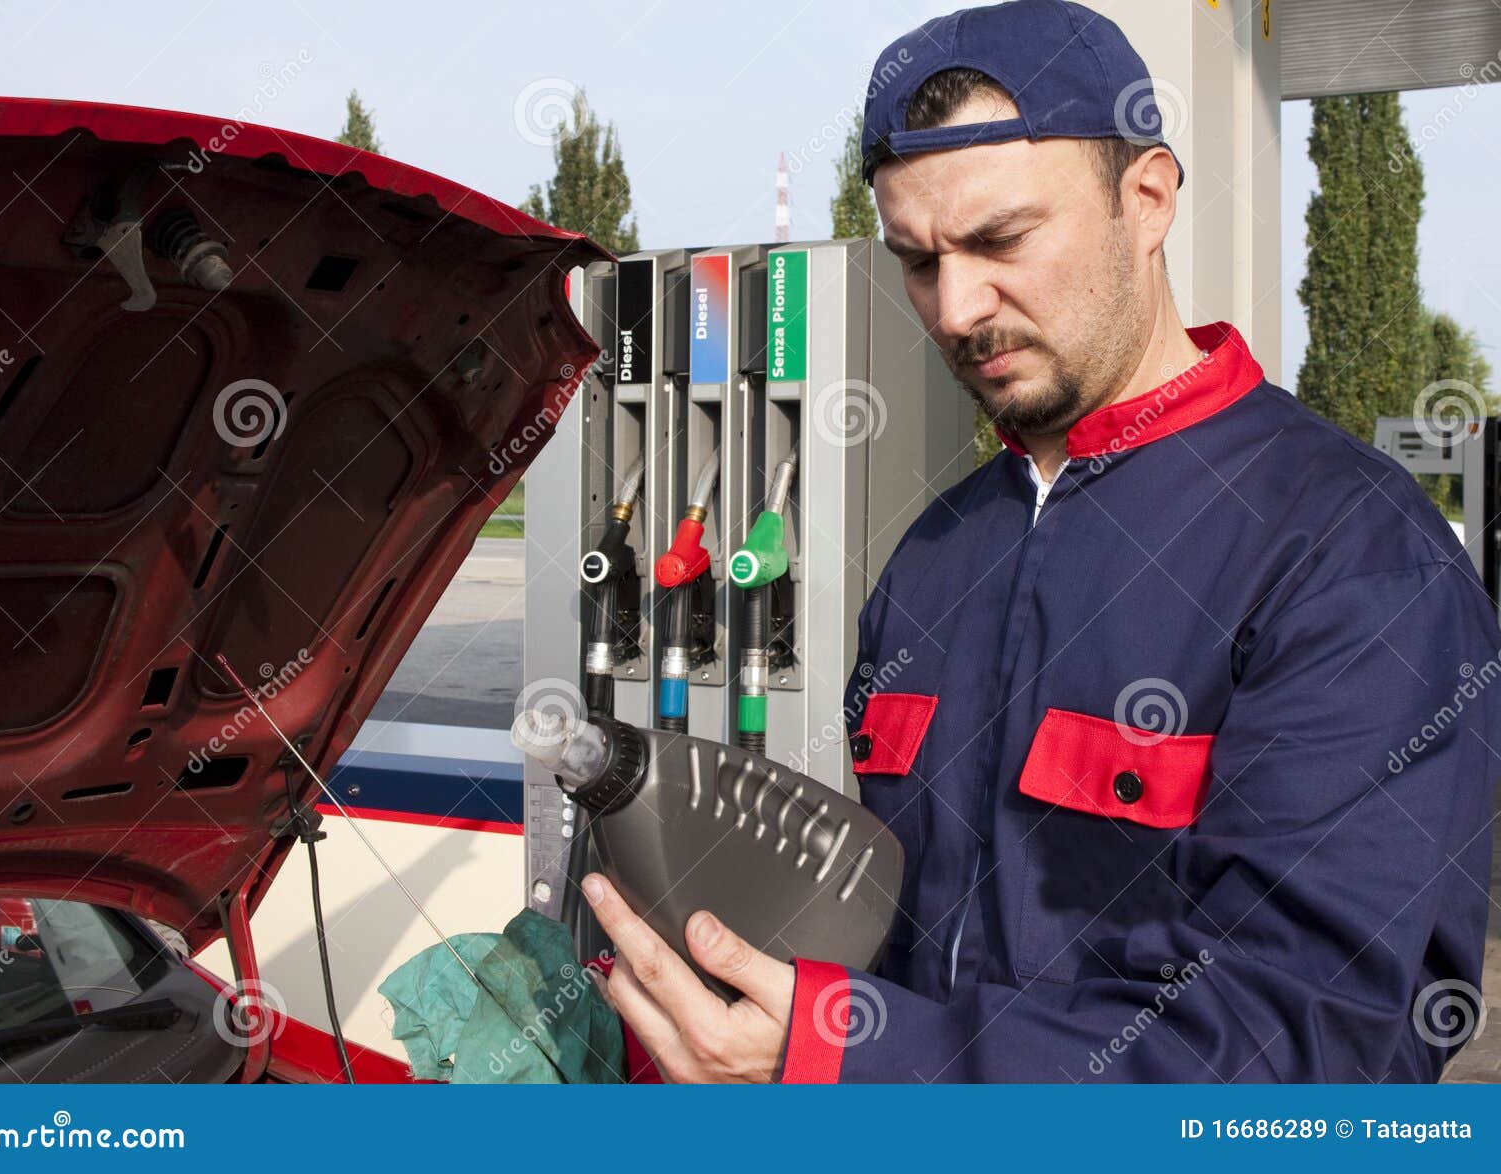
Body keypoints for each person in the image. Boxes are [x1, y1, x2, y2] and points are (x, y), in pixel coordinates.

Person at [585, 0, 1499, 1082]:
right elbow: (897, 931)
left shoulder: (1351, 558)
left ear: (1146, 200)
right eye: (918, 260)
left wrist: (845, 1060)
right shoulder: (936, 554)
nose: (958, 307)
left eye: (999, 240)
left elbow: (1301, 1045)